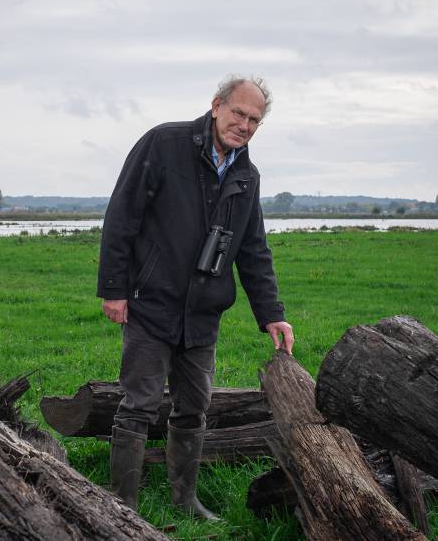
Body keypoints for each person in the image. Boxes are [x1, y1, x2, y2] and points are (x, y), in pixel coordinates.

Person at [97, 75, 294, 519]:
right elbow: (121, 216)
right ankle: (121, 506)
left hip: (202, 314)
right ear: (216, 106)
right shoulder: (163, 144)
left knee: (194, 409)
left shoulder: (246, 175)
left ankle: (185, 504)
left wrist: (272, 315)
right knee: (139, 406)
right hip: (152, 302)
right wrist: (114, 289)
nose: (244, 125)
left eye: (254, 120)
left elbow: (252, 249)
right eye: (238, 113)